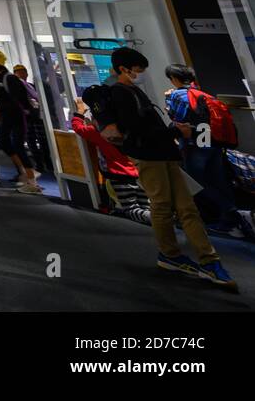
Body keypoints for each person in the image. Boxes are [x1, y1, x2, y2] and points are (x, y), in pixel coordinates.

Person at [99, 47, 237, 290]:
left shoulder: (135, 92)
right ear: (124, 68)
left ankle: (209, 260)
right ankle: (170, 254)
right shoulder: (120, 93)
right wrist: (175, 131)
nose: (140, 74)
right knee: (162, 205)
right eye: (138, 70)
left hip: (165, 154)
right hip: (149, 156)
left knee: (187, 208)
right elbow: (137, 129)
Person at [164, 64, 253, 240]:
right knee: (219, 180)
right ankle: (231, 223)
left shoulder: (177, 95)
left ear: (174, 79)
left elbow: (178, 119)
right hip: (211, 140)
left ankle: (232, 212)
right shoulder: (203, 94)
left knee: (196, 183)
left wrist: (168, 101)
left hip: (194, 142)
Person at [71, 96, 152, 225]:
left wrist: (79, 112)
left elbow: (78, 127)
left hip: (119, 174)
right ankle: (158, 217)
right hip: (140, 171)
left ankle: (158, 219)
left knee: (131, 209)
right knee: (146, 205)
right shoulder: (128, 126)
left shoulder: (99, 132)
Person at [0, 51, 41, 195]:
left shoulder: (9, 78)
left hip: (16, 115)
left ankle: (32, 181)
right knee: (3, 141)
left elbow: (18, 99)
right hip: (7, 115)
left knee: (17, 145)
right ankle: (26, 172)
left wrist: (2, 109)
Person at [14, 64, 53, 173]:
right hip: (27, 117)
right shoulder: (17, 87)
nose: (21, 74)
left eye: (23, 72)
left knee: (43, 140)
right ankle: (39, 164)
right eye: (18, 72)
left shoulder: (31, 85)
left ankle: (48, 163)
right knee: (31, 141)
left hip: (37, 116)